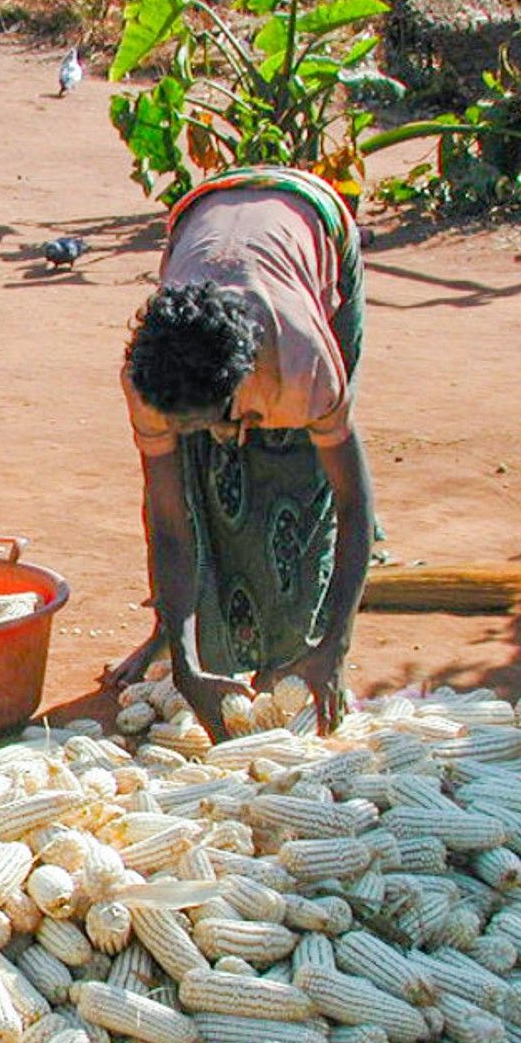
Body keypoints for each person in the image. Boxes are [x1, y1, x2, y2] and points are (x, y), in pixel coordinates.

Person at [117, 165, 375, 736]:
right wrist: (183, 663)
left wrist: (336, 646)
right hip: (203, 223)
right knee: (201, 482)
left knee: (296, 486)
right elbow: (168, 519)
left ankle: (303, 649)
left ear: (239, 388)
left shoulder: (304, 363)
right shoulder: (147, 376)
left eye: (215, 420)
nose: (210, 434)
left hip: (313, 223)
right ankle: (177, 635)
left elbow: (352, 504)